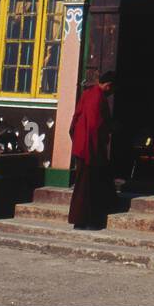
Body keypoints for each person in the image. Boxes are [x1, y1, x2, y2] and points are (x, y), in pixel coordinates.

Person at [68, 71, 114, 229]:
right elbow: (95, 126)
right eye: (111, 87)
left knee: (82, 185)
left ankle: (80, 221)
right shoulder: (97, 98)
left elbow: (75, 120)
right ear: (108, 85)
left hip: (82, 146)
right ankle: (85, 221)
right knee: (88, 186)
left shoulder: (87, 93)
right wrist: (96, 149)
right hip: (89, 148)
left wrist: (77, 142)